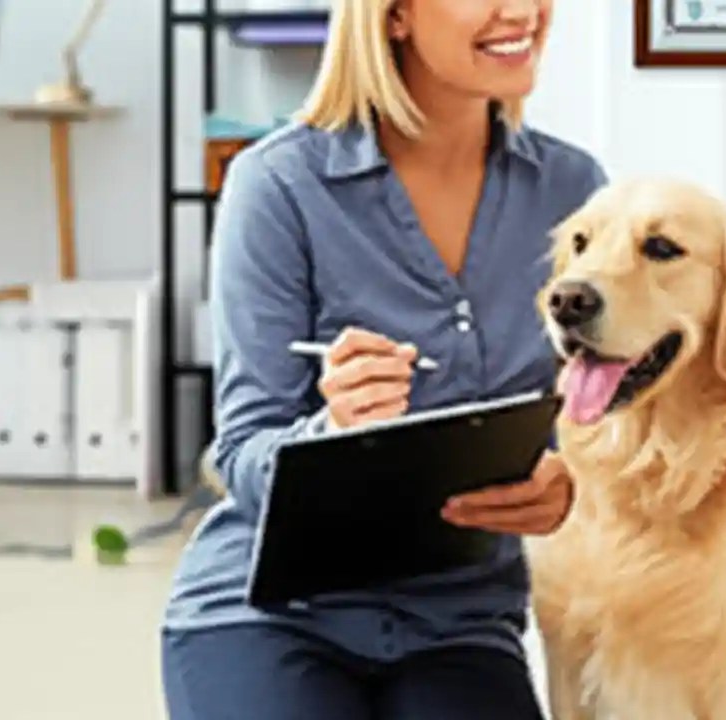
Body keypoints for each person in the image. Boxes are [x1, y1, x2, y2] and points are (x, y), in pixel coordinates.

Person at [160, 0, 607, 717]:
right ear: (394, 16)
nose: (522, 10)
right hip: (269, 616)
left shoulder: (573, 192)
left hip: (459, 625)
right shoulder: (277, 185)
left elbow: (605, 418)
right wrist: (331, 430)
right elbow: (241, 451)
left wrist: (573, 481)